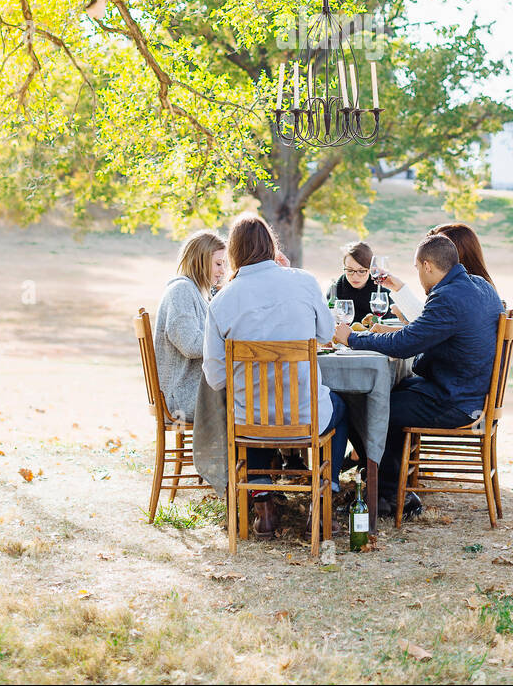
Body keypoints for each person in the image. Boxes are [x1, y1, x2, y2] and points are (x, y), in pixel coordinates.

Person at [202, 213, 349, 539]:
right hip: (306, 417)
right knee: (341, 407)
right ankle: (323, 500)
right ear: (271, 246)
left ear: (234, 252)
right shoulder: (303, 281)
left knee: (253, 405)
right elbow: (326, 331)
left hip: (249, 422)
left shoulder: (221, 300)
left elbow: (214, 377)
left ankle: (264, 507)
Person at [334, 233, 502, 516]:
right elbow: (423, 334)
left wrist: (352, 339)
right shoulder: (479, 286)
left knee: (364, 404)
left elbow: (404, 346)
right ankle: (390, 489)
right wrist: (397, 334)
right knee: (386, 397)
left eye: (416, 268)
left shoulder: (447, 297)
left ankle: (385, 495)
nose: (418, 275)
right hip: (467, 392)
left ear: (427, 266)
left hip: (453, 401)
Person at [153, 230, 227, 422]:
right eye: (218, 263)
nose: (222, 271)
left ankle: (250, 451)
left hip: (193, 391)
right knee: (249, 399)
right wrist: (229, 341)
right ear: (200, 261)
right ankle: (246, 452)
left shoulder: (197, 294)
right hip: (181, 398)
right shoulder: (181, 291)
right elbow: (190, 345)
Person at [376, 221, 495, 322]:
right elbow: (433, 325)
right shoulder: (480, 288)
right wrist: (399, 290)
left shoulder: (463, 293)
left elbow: (429, 328)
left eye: (442, 244)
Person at [326, 240, 392, 322]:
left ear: (371, 269)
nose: (355, 276)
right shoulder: (334, 292)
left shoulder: (383, 296)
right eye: (350, 270)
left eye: (361, 271)